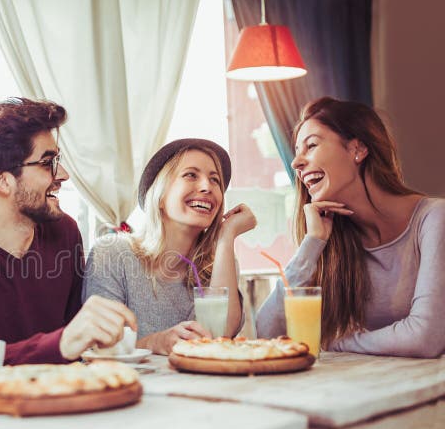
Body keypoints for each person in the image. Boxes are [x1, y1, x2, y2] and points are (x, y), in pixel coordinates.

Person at [0, 97, 136, 364]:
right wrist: (63, 343)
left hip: (60, 395)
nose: (63, 174)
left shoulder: (64, 231)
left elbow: (78, 340)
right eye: (47, 163)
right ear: (3, 181)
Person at [256, 97, 445, 358]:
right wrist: (312, 242)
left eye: (311, 145)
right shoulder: (333, 238)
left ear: (357, 149)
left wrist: (339, 342)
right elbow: (267, 331)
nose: (296, 163)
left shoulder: (434, 219)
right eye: (297, 151)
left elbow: (426, 337)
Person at [84, 139, 256, 355]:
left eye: (215, 180)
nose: (207, 187)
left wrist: (226, 237)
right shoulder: (111, 253)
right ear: (160, 196)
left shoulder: (220, 264)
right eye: (191, 175)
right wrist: (153, 343)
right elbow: (99, 346)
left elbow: (220, 336)